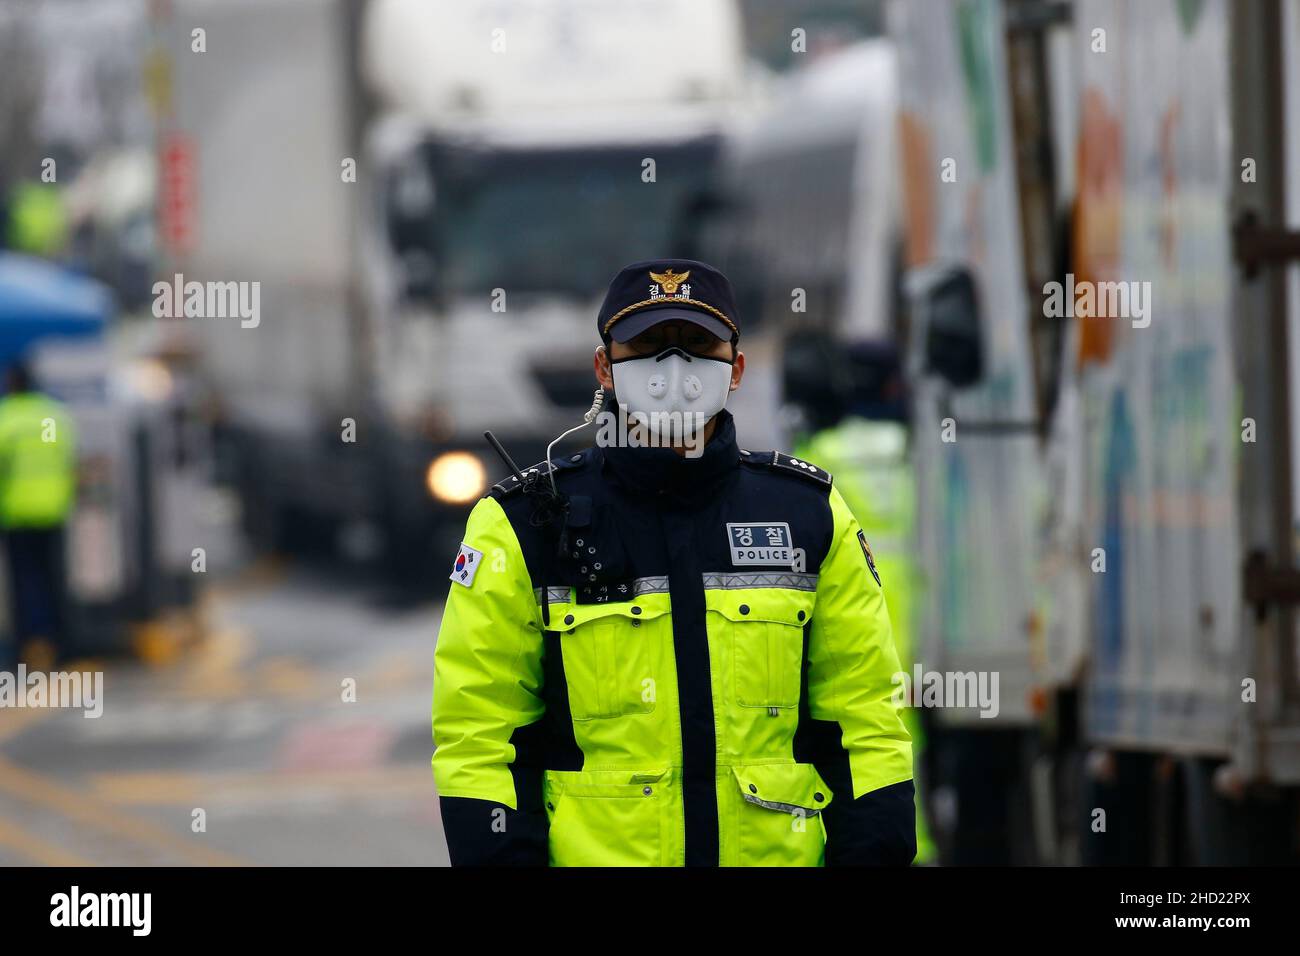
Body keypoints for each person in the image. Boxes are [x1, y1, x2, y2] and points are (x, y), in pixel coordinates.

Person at [431, 259, 914, 866]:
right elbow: (479, 736)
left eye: (697, 344)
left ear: (736, 368)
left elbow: (865, 721)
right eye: (649, 344)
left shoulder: (809, 515)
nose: (674, 366)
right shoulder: (522, 524)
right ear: (604, 367)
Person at [0, 362, 77, 669]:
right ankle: (63, 647)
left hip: (16, 512)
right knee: (56, 579)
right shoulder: (55, 414)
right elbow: (70, 459)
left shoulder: (6, 416)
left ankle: (25, 648)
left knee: (22, 582)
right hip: (54, 509)